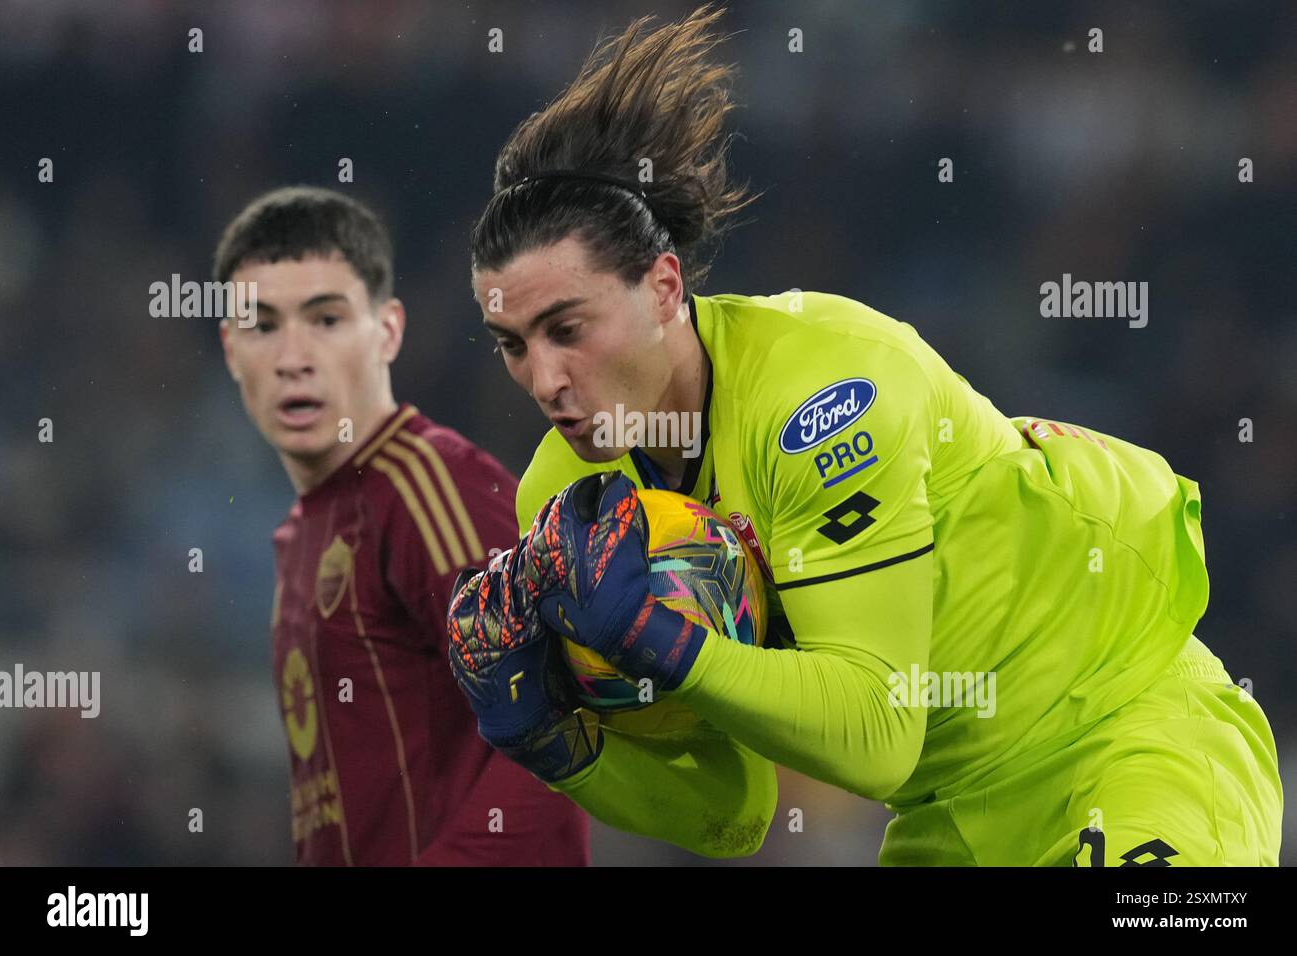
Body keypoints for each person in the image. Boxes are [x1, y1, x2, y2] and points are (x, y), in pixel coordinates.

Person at [447, 6, 1282, 865]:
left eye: (568, 328)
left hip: (1124, 735)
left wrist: (665, 640)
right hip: (945, 816)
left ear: (663, 289)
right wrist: (554, 741)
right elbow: (729, 815)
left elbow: (874, 729)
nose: (544, 380)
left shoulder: (825, 397)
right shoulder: (564, 498)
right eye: (514, 345)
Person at [215, 186, 587, 865]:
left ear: (387, 330)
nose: (292, 356)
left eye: (325, 319)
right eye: (262, 325)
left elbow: (567, 729)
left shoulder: (428, 486)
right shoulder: (305, 534)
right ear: (230, 349)